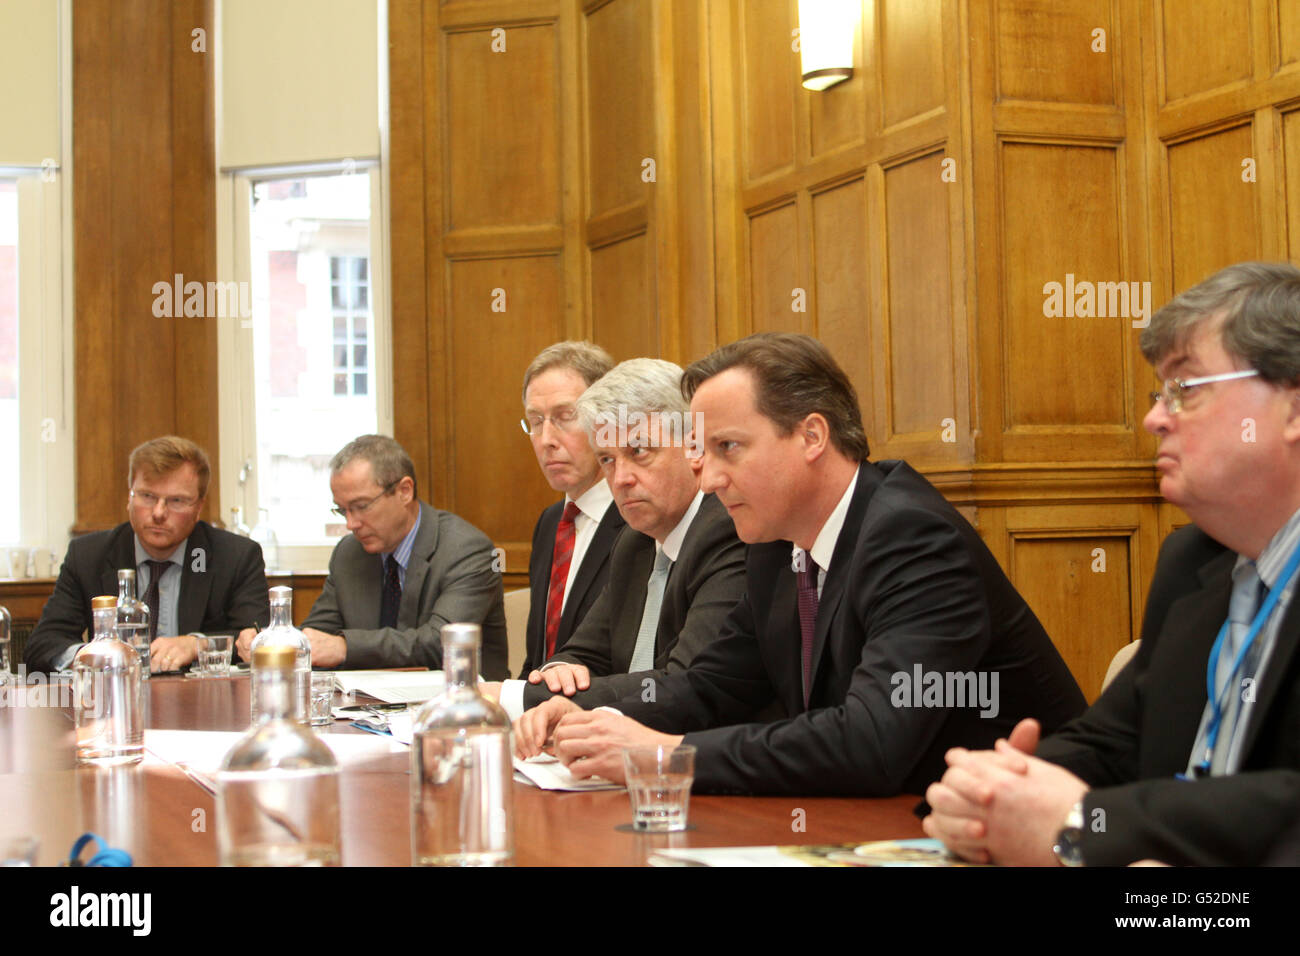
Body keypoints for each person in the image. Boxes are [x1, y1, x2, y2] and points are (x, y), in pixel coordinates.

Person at [542, 333, 1086, 794]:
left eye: (728, 447)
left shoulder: (913, 538)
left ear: (811, 436)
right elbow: (712, 686)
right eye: (704, 453)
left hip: (1017, 829)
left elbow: (872, 740)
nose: (708, 479)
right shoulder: (777, 544)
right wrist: (599, 720)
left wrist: (666, 753)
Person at [924, 261, 1300, 866]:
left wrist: (1085, 825)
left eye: (1187, 388)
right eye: (1160, 393)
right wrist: (995, 792)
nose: (1154, 418)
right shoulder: (1195, 561)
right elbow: (1112, 741)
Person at [494, 358, 746, 731]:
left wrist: (513, 698)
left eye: (639, 451)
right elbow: (581, 654)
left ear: (693, 446)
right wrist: (558, 672)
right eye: (608, 460)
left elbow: (682, 681)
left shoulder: (727, 530)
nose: (621, 479)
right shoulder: (634, 542)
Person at [237, 435, 509, 678]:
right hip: (368, 712)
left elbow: (441, 643)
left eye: (361, 507)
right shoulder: (349, 553)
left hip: (463, 712)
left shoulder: (468, 549)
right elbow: (320, 633)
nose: (351, 524)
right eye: (342, 511)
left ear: (404, 491)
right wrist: (274, 642)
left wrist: (345, 647)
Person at [25, 436, 269, 674]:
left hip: (203, 703)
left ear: (198, 508)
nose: (159, 513)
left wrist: (198, 645)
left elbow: (257, 640)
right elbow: (44, 644)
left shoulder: (235, 557)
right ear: (129, 497)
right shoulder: (89, 555)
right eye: (147, 496)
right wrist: (93, 656)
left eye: (176, 501)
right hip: (116, 701)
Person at [517, 342, 624, 681]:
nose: (546, 439)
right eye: (535, 421)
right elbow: (537, 660)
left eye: (565, 417)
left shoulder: (639, 520)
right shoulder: (550, 523)